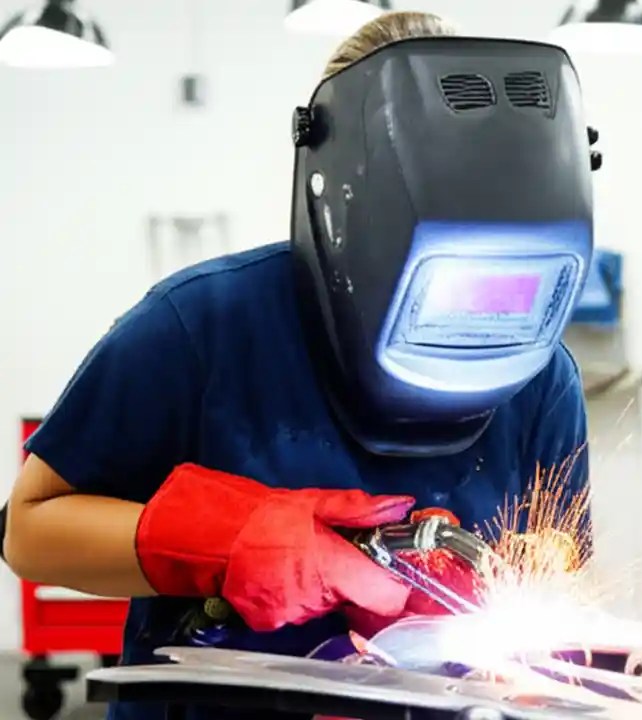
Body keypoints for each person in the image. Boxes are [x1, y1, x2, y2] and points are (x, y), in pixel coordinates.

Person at [2, 11, 599, 719]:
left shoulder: (541, 377)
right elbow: (29, 530)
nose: (475, 320)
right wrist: (216, 546)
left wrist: (536, 570)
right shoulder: (199, 326)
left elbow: (566, 561)